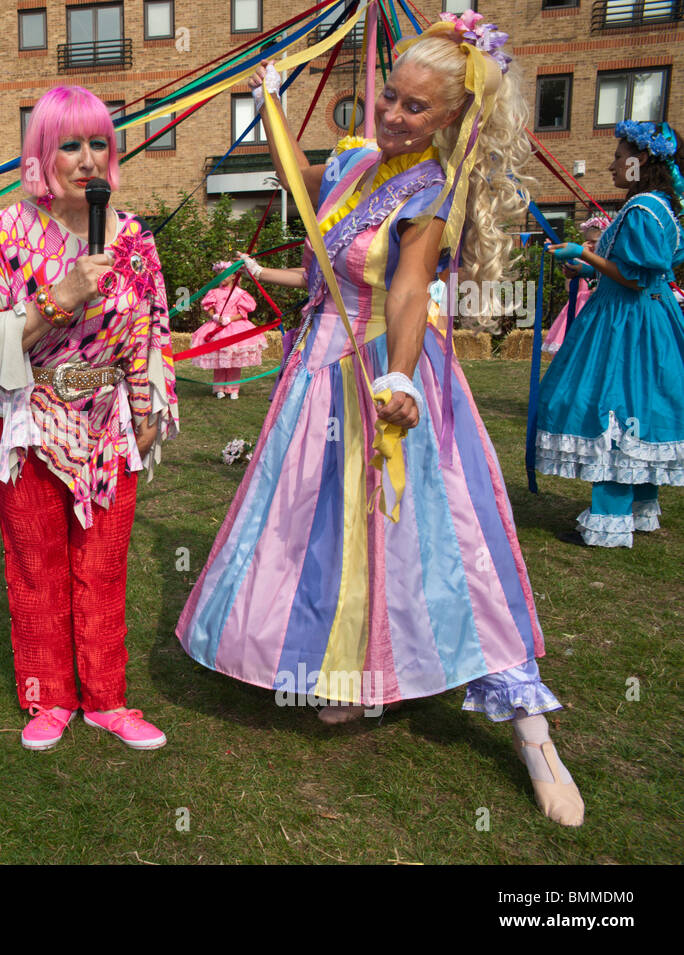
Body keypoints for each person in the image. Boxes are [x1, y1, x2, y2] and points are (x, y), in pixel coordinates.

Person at [176, 17, 585, 825]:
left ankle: (533, 731)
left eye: (417, 108)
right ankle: (356, 679)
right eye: (389, 95)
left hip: (385, 373)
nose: (393, 115)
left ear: (453, 120)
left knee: (443, 539)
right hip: (317, 379)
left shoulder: (436, 188)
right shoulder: (357, 165)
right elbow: (326, 263)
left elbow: (406, 289)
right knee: (331, 531)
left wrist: (398, 372)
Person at [0, 85, 180, 751]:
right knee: (36, 564)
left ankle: (108, 698)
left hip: (110, 422)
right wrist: (58, 299)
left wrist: (148, 403)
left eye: (98, 143)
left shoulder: (133, 235)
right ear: (43, 153)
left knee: (105, 562)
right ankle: (47, 696)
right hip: (24, 422)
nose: (86, 159)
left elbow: (152, 329)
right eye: (70, 145)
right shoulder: (2, 231)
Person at [535, 123, 684, 546]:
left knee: (611, 405)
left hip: (627, 324)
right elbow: (644, 270)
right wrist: (584, 267)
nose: (613, 164)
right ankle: (640, 507)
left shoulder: (640, 209)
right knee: (646, 406)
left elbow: (635, 278)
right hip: (651, 319)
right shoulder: (660, 207)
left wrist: (583, 251)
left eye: (619, 157)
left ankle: (609, 519)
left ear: (640, 162)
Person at [189, 262, 264, 399]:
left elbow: (243, 313)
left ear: (233, 276)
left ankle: (233, 388)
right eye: (219, 275)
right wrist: (215, 316)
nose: (222, 277)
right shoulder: (214, 292)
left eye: (225, 274)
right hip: (217, 326)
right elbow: (209, 309)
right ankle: (219, 388)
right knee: (219, 359)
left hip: (235, 326)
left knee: (234, 359)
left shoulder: (240, 294)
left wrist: (231, 319)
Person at [541, 215, 608, 355]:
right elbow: (568, 287)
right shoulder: (580, 260)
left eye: (594, 242)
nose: (590, 245)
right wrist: (576, 260)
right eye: (587, 241)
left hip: (597, 308)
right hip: (577, 307)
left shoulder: (605, 263)